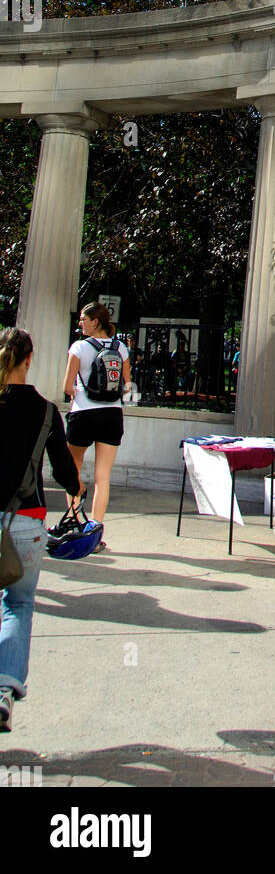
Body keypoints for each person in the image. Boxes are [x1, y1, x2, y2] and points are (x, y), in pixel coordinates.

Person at [0, 328, 84, 732]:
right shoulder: (45, 411)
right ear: (29, 359)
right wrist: (76, 491)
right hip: (26, 521)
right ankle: (4, 689)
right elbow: (65, 470)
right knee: (18, 604)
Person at [61, 302, 132, 551]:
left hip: (83, 414)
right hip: (112, 415)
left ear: (96, 322)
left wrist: (76, 393)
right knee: (103, 477)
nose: (80, 323)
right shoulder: (120, 347)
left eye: (83, 319)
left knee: (73, 472)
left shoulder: (79, 347)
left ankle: (76, 524)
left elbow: (67, 386)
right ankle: (95, 531)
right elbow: (127, 384)